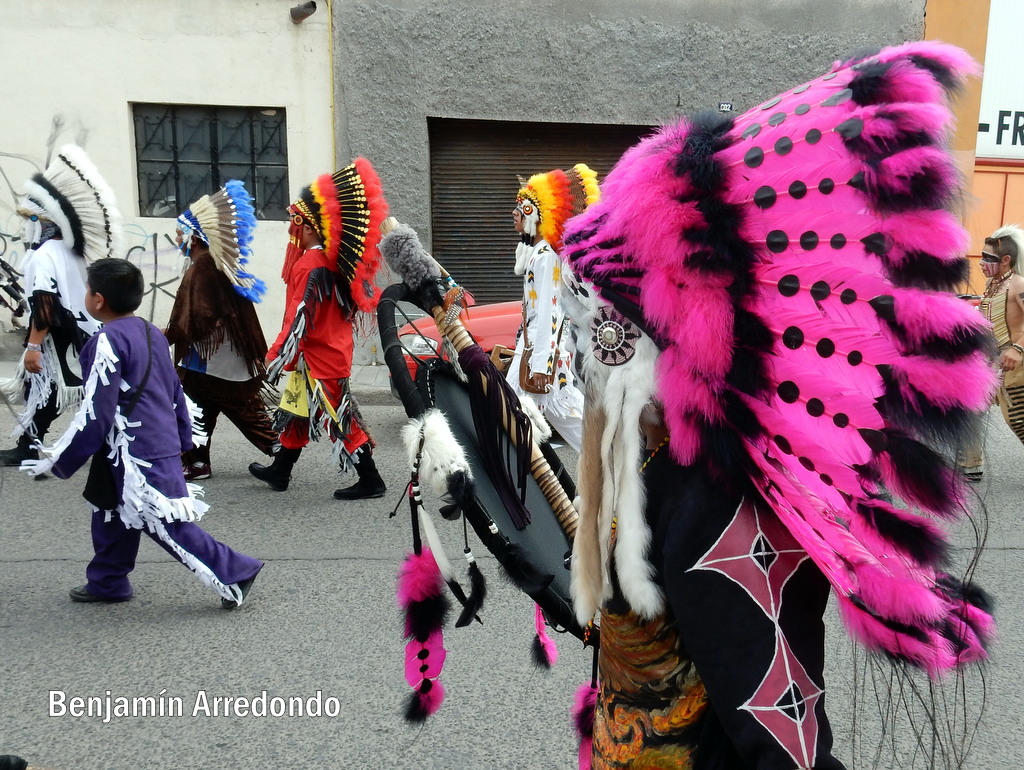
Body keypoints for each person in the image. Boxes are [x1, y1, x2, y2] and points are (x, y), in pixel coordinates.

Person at [561, 42, 993, 768]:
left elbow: (779, 741)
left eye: (600, 328)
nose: (585, 354)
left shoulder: (718, 507)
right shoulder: (666, 462)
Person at [20, 259, 262, 608]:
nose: (86, 295)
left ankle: (235, 571)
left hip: (137, 450)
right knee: (110, 507)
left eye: (88, 290)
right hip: (135, 445)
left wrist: (57, 461)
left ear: (98, 300)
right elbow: (174, 389)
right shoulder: (151, 332)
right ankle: (107, 581)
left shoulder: (106, 342)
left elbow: (95, 412)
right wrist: (181, 436)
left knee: (165, 522)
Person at [248, 158, 389, 499]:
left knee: (338, 417)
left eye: (294, 222)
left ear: (307, 226)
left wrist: (274, 356)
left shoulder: (310, 264)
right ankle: (281, 470)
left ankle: (371, 480)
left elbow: (297, 319)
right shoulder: (330, 261)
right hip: (325, 351)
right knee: (297, 409)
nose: (290, 229)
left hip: (319, 355)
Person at [0, 145, 121, 466]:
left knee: (51, 389)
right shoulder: (71, 252)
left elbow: (45, 303)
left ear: (43, 223)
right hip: (83, 330)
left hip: (58, 333)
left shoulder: (43, 256)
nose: (27, 228)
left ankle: (33, 444)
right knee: (53, 390)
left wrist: (34, 347)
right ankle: (29, 443)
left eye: (31, 221)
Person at [165, 179, 276, 481]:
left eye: (179, 234)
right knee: (198, 410)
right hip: (215, 362)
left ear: (194, 238)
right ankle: (198, 462)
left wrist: (164, 337)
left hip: (213, 363)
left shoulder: (202, 268)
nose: (176, 239)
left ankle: (283, 450)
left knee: (241, 412)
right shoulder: (210, 264)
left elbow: (195, 317)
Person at [505, 164, 598, 452]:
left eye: (519, 208)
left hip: (540, 357)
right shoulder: (539, 253)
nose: (513, 213)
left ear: (532, 213)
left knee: (516, 417)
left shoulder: (545, 257)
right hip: (535, 351)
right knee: (511, 418)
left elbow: (550, 310)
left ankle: (613, 467)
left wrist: (541, 363)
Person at [958, 225, 1024, 480]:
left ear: (1006, 260)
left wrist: (1017, 349)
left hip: (1014, 362)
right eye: (983, 256)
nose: (982, 262)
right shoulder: (992, 284)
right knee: (970, 407)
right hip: (989, 360)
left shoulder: (1018, 284)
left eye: (989, 258)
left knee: (1017, 419)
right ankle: (972, 465)